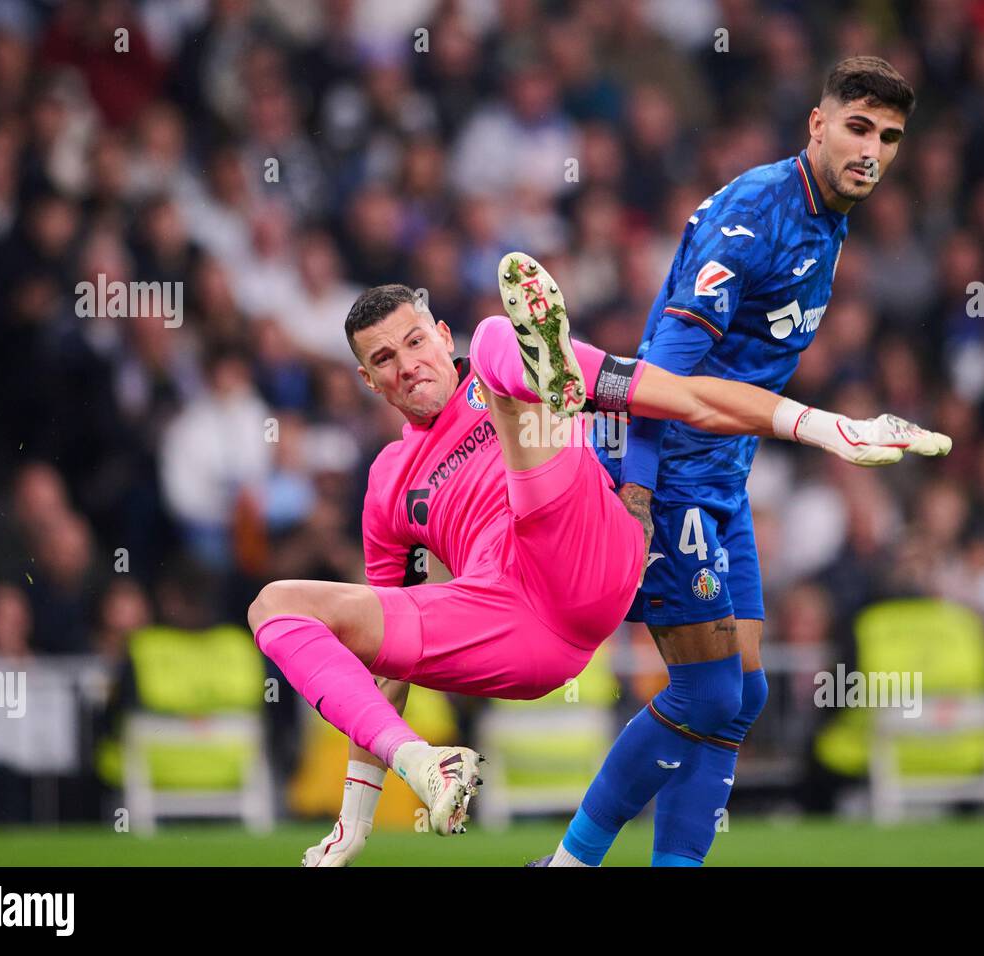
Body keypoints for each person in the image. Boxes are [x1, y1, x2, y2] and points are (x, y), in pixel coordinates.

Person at [247, 253, 947, 862]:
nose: (407, 367)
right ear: (369, 383)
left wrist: (824, 427)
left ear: (440, 334)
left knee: (503, 341)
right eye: (383, 361)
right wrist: (355, 823)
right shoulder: (386, 487)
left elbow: (689, 400)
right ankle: (425, 766)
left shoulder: (485, 353)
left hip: (590, 550)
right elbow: (383, 669)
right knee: (275, 604)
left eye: (414, 343)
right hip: (517, 633)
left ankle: (548, 383)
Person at [545, 56, 919, 867]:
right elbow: (655, 380)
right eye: (858, 127)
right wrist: (639, 493)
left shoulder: (830, 217)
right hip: (667, 470)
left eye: (889, 137)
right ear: (816, 125)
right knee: (708, 693)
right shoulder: (755, 216)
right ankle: (571, 862)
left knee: (741, 695)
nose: (872, 150)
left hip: (723, 475)